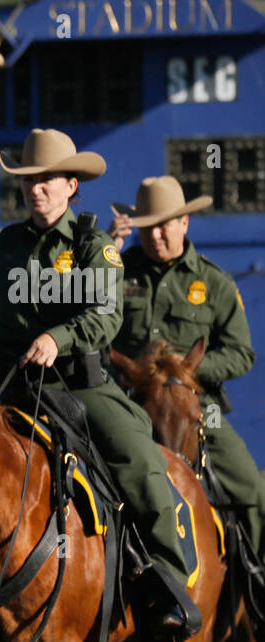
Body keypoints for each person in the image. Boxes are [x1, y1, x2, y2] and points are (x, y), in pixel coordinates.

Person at [0, 129, 200, 641]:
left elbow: (105, 315)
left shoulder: (95, 248)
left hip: (78, 389)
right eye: (27, 180)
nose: (35, 189)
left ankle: (168, 585)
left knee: (139, 460)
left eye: (46, 180)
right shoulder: (2, 248)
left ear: (70, 185)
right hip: (7, 392)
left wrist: (57, 338)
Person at [109, 175, 265, 563]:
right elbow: (86, 319)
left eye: (165, 225)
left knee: (251, 491)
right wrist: (105, 251)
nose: (156, 236)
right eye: (147, 227)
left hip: (199, 410)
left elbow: (241, 353)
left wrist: (184, 375)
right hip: (130, 407)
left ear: (184, 223)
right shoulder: (116, 271)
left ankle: (257, 586)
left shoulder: (215, 283)